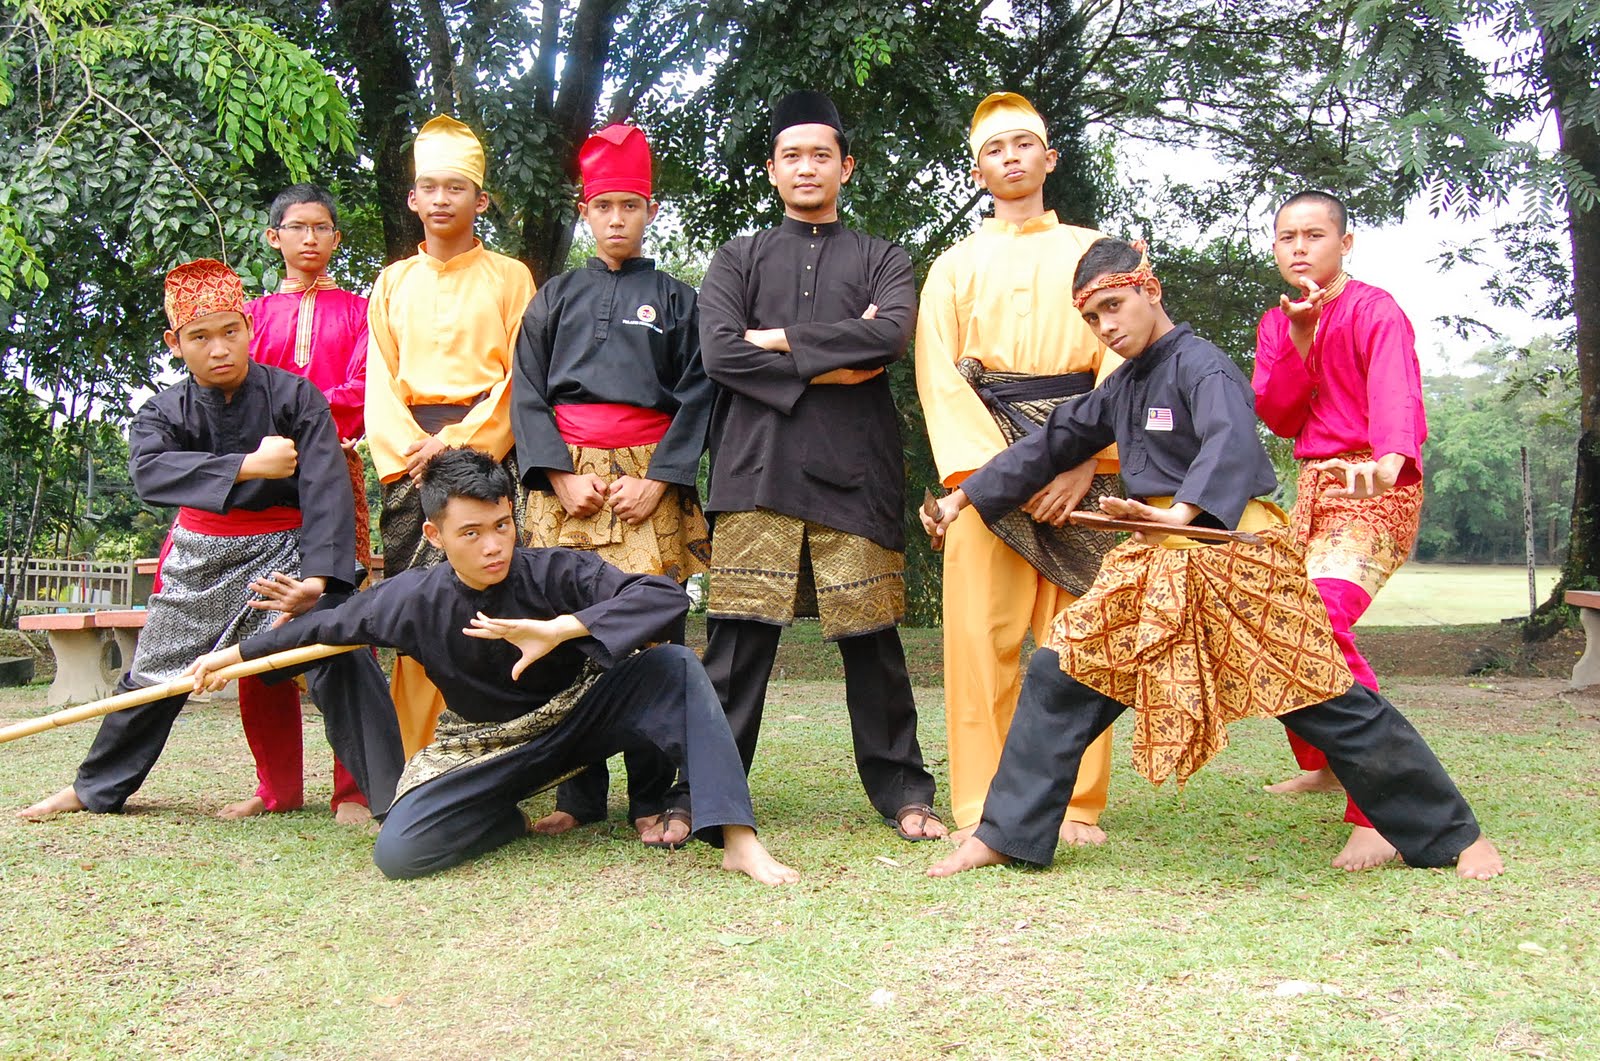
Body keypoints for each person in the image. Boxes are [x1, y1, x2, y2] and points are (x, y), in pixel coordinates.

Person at [921, 238, 1502, 881]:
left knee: (1321, 694)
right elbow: (1052, 443)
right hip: (1159, 558)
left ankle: (1456, 837)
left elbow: (1229, 444)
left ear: (1150, 290)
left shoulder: (1204, 366)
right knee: (1062, 672)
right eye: (1091, 318)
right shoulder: (1124, 385)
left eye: (1113, 307)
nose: (1105, 327)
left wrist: (1181, 514)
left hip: (1235, 556)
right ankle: (1006, 834)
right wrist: (963, 499)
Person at [189, 448, 799, 885]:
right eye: (472, 533)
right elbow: (319, 629)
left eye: (502, 526)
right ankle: (501, 819)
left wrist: (562, 628)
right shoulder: (409, 599)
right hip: (488, 747)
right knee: (400, 854)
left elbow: (662, 596)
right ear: (435, 535)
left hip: (581, 719)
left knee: (673, 665)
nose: (493, 546)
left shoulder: (556, 571)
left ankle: (737, 839)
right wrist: (227, 658)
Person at [17, 259, 403, 823]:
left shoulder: (297, 398)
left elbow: (326, 487)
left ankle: (385, 796)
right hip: (201, 558)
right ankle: (95, 788)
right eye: (200, 337)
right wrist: (249, 465)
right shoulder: (161, 412)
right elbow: (150, 473)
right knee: (152, 676)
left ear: (248, 327)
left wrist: (318, 582)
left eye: (230, 331)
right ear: (175, 343)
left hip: (288, 554)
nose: (219, 348)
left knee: (334, 650)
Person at [695, 90, 943, 841]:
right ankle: (702, 793)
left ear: (846, 167)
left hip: (853, 469)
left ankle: (904, 790)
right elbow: (719, 353)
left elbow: (889, 337)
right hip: (756, 467)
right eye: (792, 156)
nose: (807, 168)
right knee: (736, 644)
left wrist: (772, 340)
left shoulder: (881, 258)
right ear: (773, 170)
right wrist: (834, 357)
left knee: (873, 642)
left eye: (821, 155)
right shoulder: (738, 257)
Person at [915, 91, 1120, 846]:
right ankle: (982, 802)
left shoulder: (1099, 253)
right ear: (978, 171)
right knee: (980, 640)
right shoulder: (954, 266)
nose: (1010, 158)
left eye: (1023, 144)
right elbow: (938, 375)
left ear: (1049, 158)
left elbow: (1126, 357)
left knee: (1082, 636)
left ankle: (1076, 803)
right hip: (982, 475)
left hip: (1083, 465)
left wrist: (1082, 462)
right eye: (994, 149)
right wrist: (991, 479)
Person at [512, 123, 713, 847]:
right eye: (604, 207)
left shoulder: (679, 299)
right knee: (566, 628)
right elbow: (526, 391)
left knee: (652, 634)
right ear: (585, 212)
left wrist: (659, 480)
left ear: (650, 210)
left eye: (631, 205)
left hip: (646, 484)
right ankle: (579, 792)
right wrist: (559, 475)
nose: (617, 219)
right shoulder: (554, 297)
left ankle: (652, 793)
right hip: (567, 482)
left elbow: (700, 391)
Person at [1253, 191, 1429, 871]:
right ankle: (1325, 761)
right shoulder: (1278, 322)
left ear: (1345, 243)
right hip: (1313, 494)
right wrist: (1299, 340)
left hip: (1375, 490)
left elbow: (1395, 392)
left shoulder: (1374, 309)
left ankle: (1379, 808)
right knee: (1275, 617)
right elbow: (1280, 416)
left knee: (1322, 619)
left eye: (1314, 235)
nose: (1299, 248)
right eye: (1286, 237)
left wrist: (1389, 460)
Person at [366, 115, 537, 758]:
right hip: (411, 461)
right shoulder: (392, 281)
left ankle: (496, 753)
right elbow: (380, 378)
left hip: (487, 457)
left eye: (456, 188)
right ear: (413, 198)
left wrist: (462, 442)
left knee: (490, 601)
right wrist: (412, 452)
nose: (442, 200)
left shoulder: (511, 277)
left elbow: (522, 375)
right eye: (430, 188)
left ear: (480, 199)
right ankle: (416, 756)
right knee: (417, 608)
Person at [226, 182, 374, 824]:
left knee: (344, 620)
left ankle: (355, 787)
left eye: (321, 228)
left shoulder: (363, 311)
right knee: (255, 621)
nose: (309, 238)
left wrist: (300, 419)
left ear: (336, 238)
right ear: (274, 237)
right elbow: (235, 390)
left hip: (337, 472)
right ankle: (276, 786)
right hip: (262, 483)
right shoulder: (249, 315)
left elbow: (366, 387)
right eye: (296, 227)